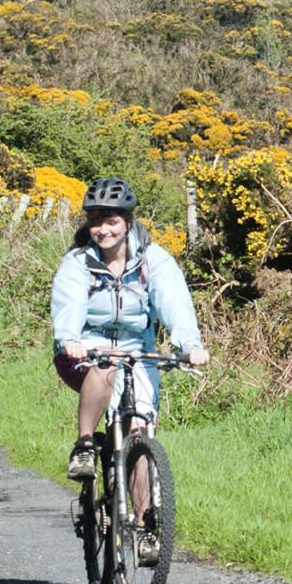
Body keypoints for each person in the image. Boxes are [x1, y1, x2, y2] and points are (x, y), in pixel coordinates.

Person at [52, 176, 208, 559]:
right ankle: (85, 446)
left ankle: (144, 527)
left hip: (139, 350)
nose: (103, 229)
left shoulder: (154, 259)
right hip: (87, 348)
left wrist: (191, 345)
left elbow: (175, 303)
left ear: (128, 222)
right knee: (104, 372)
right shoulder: (78, 262)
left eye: (112, 221)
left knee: (139, 429)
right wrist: (70, 339)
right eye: (96, 221)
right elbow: (68, 305)